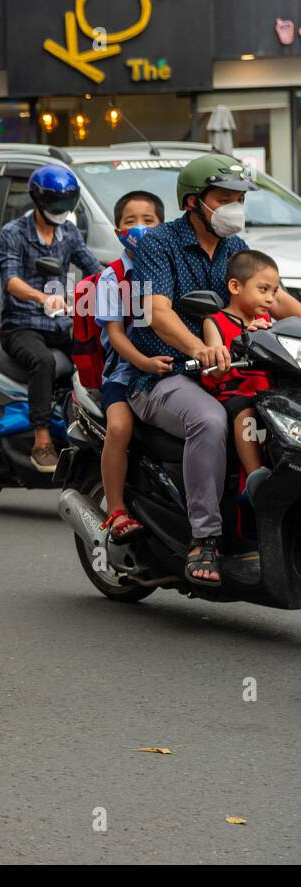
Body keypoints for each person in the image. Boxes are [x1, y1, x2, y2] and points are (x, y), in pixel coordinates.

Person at [128, 153, 301, 585]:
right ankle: (205, 539)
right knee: (209, 420)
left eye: (239, 198)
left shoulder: (236, 249)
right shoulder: (158, 244)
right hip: (165, 373)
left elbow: (275, 300)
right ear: (193, 202)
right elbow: (158, 311)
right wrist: (200, 349)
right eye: (225, 198)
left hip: (234, 373)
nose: (235, 208)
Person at [0, 163, 103, 472]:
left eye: (67, 202)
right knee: (43, 362)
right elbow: (11, 281)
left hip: (60, 323)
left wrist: (118, 282)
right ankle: (41, 441)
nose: (61, 208)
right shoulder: (13, 233)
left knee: (95, 350)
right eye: (56, 201)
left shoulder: (69, 232)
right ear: (38, 200)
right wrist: (44, 298)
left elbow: (93, 267)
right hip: (21, 324)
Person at [94, 190, 169, 542]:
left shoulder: (169, 268)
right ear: (117, 230)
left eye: (148, 221)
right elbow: (116, 334)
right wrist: (144, 362)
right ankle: (116, 508)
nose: (139, 228)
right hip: (124, 373)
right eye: (130, 222)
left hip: (171, 368)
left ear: (163, 226)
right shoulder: (112, 278)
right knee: (120, 428)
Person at [200, 249, 280, 492]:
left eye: (274, 292)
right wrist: (246, 339)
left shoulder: (266, 321)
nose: (269, 299)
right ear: (235, 287)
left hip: (264, 392)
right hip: (233, 394)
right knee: (245, 412)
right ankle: (255, 477)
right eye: (263, 289)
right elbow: (215, 366)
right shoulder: (214, 320)